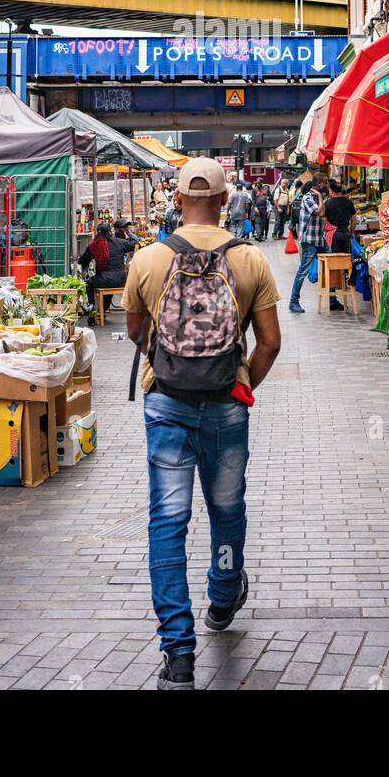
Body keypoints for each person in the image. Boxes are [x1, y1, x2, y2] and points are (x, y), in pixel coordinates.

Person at [123, 158, 281, 691]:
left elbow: (134, 330)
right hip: (226, 404)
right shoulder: (249, 259)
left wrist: (168, 364)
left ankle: (179, 653)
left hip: (165, 402)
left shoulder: (147, 259)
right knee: (227, 508)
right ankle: (222, 594)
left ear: (176, 195)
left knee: (167, 522)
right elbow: (271, 342)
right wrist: (239, 385)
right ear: (225, 197)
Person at [288, 173, 327, 313]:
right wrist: (322, 199)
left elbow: (323, 213)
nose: (326, 186)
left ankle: (333, 299)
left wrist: (322, 200)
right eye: (325, 183)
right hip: (309, 240)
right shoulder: (308, 198)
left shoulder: (317, 197)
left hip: (320, 239)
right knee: (303, 270)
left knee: (332, 265)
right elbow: (319, 212)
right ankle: (293, 301)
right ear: (318, 184)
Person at [80, 221, 138, 314]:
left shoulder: (94, 245)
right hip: (122, 279)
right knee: (107, 280)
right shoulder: (119, 242)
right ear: (109, 232)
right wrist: (128, 233)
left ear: (98, 233)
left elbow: (83, 260)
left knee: (89, 282)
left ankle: (91, 305)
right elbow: (135, 243)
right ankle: (104, 308)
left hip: (104, 280)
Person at [324, 178, 356, 312]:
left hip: (334, 236)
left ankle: (332, 298)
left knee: (332, 266)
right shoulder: (348, 202)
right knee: (347, 263)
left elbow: (324, 221)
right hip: (345, 234)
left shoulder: (327, 203)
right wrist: (351, 230)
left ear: (331, 191)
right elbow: (353, 219)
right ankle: (347, 284)